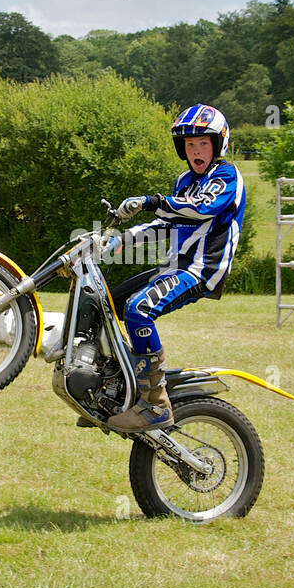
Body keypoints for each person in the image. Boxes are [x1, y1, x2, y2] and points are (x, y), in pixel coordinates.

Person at [102, 104, 246, 432]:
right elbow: (165, 224)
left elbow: (199, 210)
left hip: (202, 269)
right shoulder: (184, 181)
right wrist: (121, 241)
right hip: (175, 265)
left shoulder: (226, 176)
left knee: (139, 310)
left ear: (218, 144)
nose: (196, 150)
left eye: (203, 144)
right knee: (107, 304)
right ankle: (116, 388)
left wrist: (152, 200)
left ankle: (155, 404)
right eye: (189, 145)